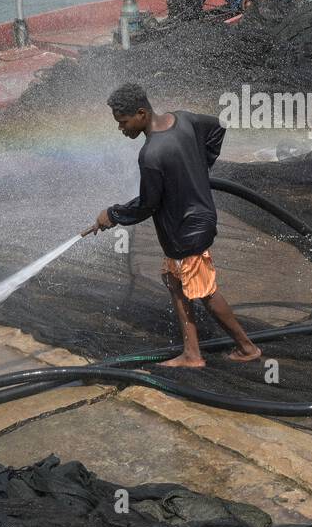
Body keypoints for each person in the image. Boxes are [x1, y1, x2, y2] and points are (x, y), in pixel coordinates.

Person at [91, 83, 261, 368]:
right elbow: (219, 126)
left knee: (205, 291)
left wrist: (113, 215)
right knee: (174, 281)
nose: (121, 129)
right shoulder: (183, 119)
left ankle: (247, 348)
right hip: (195, 220)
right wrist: (199, 166)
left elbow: (148, 205)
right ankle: (191, 352)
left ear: (142, 113)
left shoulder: (150, 155)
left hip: (187, 230)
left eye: (123, 122)